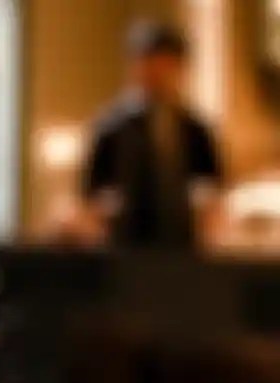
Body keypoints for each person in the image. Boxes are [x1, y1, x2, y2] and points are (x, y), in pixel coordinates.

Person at [80, 21, 224, 249]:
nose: (157, 73)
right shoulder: (112, 127)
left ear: (179, 68)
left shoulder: (195, 129)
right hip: (124, 245)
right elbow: (90, 191)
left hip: (183, 246)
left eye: (166, 65)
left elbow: (213, 188)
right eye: (148, 63)